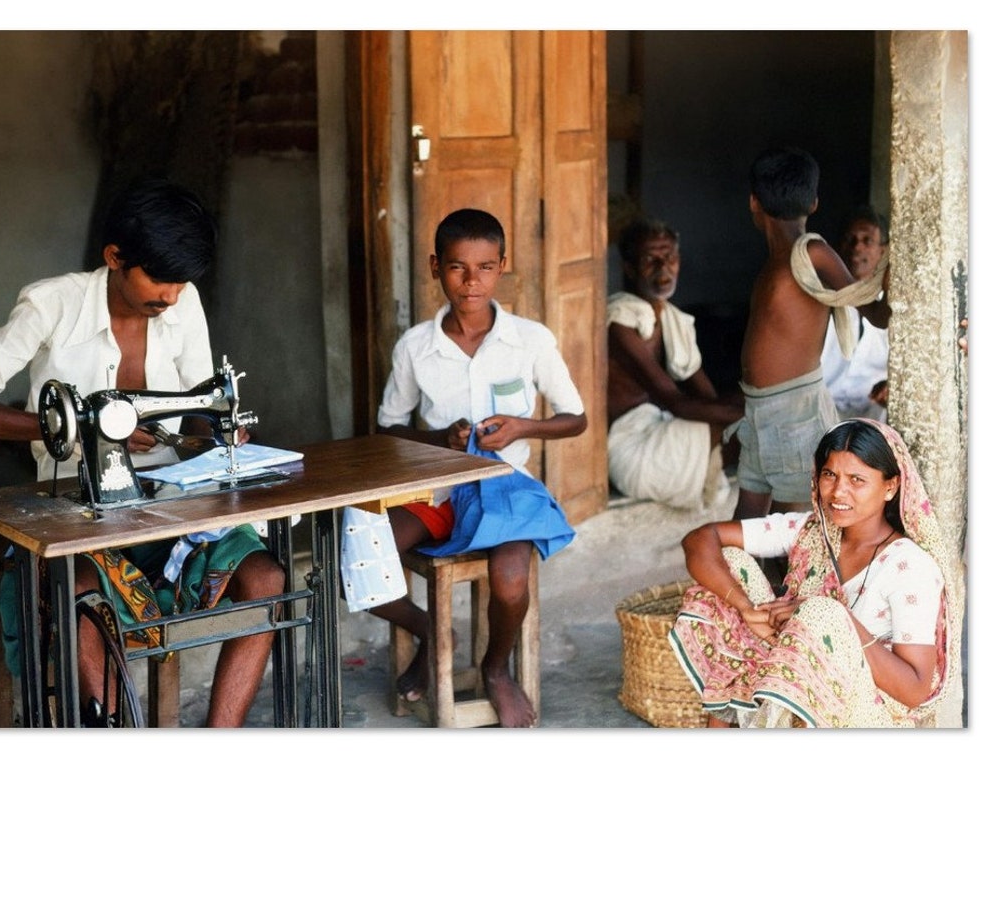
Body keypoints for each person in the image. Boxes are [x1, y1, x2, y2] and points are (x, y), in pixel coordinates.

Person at [0, 178, 285, 727]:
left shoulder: (182, 300)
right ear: (115, 257)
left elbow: (201, 401)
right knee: (77, 596)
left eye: (180, 283)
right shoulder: (52, 303)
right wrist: (77, 431)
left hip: (168, 503)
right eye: (160, 280)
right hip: (73, 508)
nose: (170, 297)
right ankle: (118, 733)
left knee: (266, 577)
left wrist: (217, 435)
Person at [372, 208, 587, 727]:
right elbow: (389, 429)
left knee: (511, 578)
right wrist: (439, 441)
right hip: (439, 491)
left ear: (502, 267)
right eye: (457, 268)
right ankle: (431, 632)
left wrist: (522, 427)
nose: (472, 282)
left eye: (486, 267)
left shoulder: (530, 340)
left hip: (508, 488)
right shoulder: (416, 348)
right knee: (361, 558)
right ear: (434, 267)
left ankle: (495, 668)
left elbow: (575, 419)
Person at [668, 418, 957, 728]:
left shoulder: (909, 567)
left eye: (857, 480)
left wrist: (829, 618)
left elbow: (913, 690)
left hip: (866, 709)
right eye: (829, 475)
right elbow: (700, 539)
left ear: (890, 487)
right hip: (792, 675)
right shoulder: (809, 531)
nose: (838, 492)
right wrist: (745, 607)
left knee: (824, 611)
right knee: (730, 563)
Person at [731, 147, 890, 522]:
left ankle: (795, 583)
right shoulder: (778, 261)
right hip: (760, 410)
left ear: (753, 202)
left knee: (792, 529)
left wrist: (892, 271)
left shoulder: (812, 251)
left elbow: (875, 312)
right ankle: (747, 583)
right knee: (748, 522)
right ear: (815, 202)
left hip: (795, 412)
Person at [607, 217, 743, 511]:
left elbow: (707, 397)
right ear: (629, 268)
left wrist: (747, 411)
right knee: (753, 422)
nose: (663, 269)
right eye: (650, 260)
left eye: (669, 258)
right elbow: (675, 402)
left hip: (659, 431)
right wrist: (748, 413)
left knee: (749, 417)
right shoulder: (619, 323)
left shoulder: (672, 319)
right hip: (632, 452)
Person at [820, 205, 890, 420]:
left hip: (874, 409)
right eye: (850, 240)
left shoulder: (897, 306)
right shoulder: (823, 299)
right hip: (823, 408)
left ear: (883, 251)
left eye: (867, 240)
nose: (857, 247)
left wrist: (893, 386)